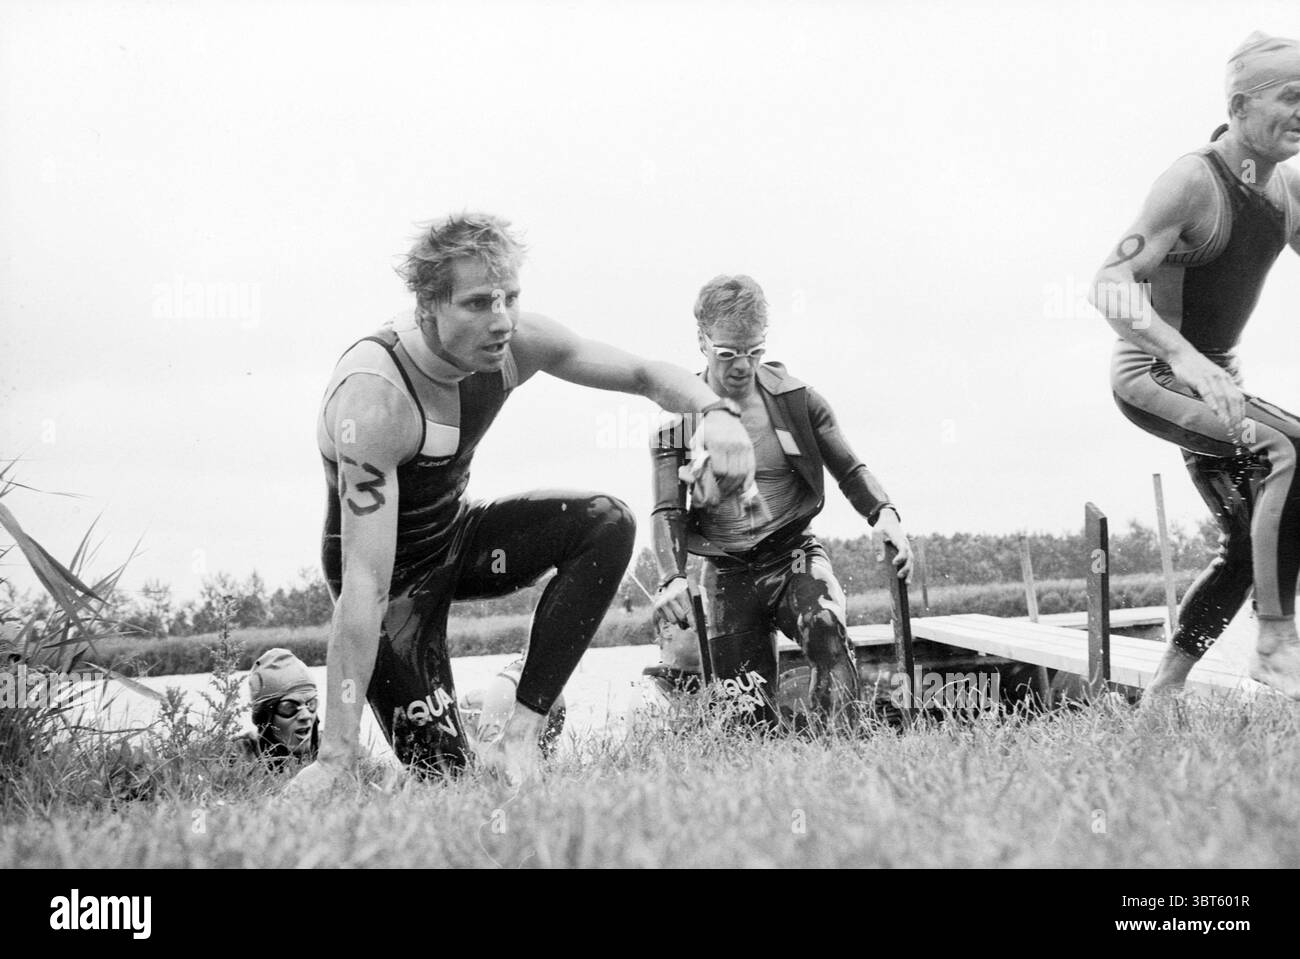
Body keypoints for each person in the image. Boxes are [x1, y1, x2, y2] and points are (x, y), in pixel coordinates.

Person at [285, 213, 755, 797]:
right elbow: (363, 585)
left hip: (455, 538)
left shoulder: (517, 344)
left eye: (509, 297)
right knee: (448, 779)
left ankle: (521, 732)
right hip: (388, 581)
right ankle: (452, 736)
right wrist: (335, 756)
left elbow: (640, 373)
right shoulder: (375, 397)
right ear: (428, 304)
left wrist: (717, 414)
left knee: (605, 523)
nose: (501, 320)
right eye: (479, 303)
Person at [1091, 32, 1300, 700]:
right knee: (1292, 446)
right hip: (1154, 373)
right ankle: (1274, 645)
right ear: (1239, 106)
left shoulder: (1286, 189)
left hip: (1215, 383)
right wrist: (1187, 359)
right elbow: (1108, 281)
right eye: (1291, 98)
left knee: (1248, 538)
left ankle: (1162, 694)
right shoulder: (1192, 180)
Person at [649, 275, 913, 726]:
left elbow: (849, 468)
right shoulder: (677, 422)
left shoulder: (798, 401)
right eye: (728, 353)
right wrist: (671, 576)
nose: (741, 366)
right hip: (728, 575)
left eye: (753, 351)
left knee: (826, 629)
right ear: (701, 342)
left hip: (794, 558)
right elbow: (667, 510)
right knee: (745, 715)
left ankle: (842, 754)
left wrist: (884, 512)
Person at [234, 647, 320, 765]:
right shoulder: (238, 756)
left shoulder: (334, 750)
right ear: (264, 718)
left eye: (311, 704)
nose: (306, 716)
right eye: (290, 707)